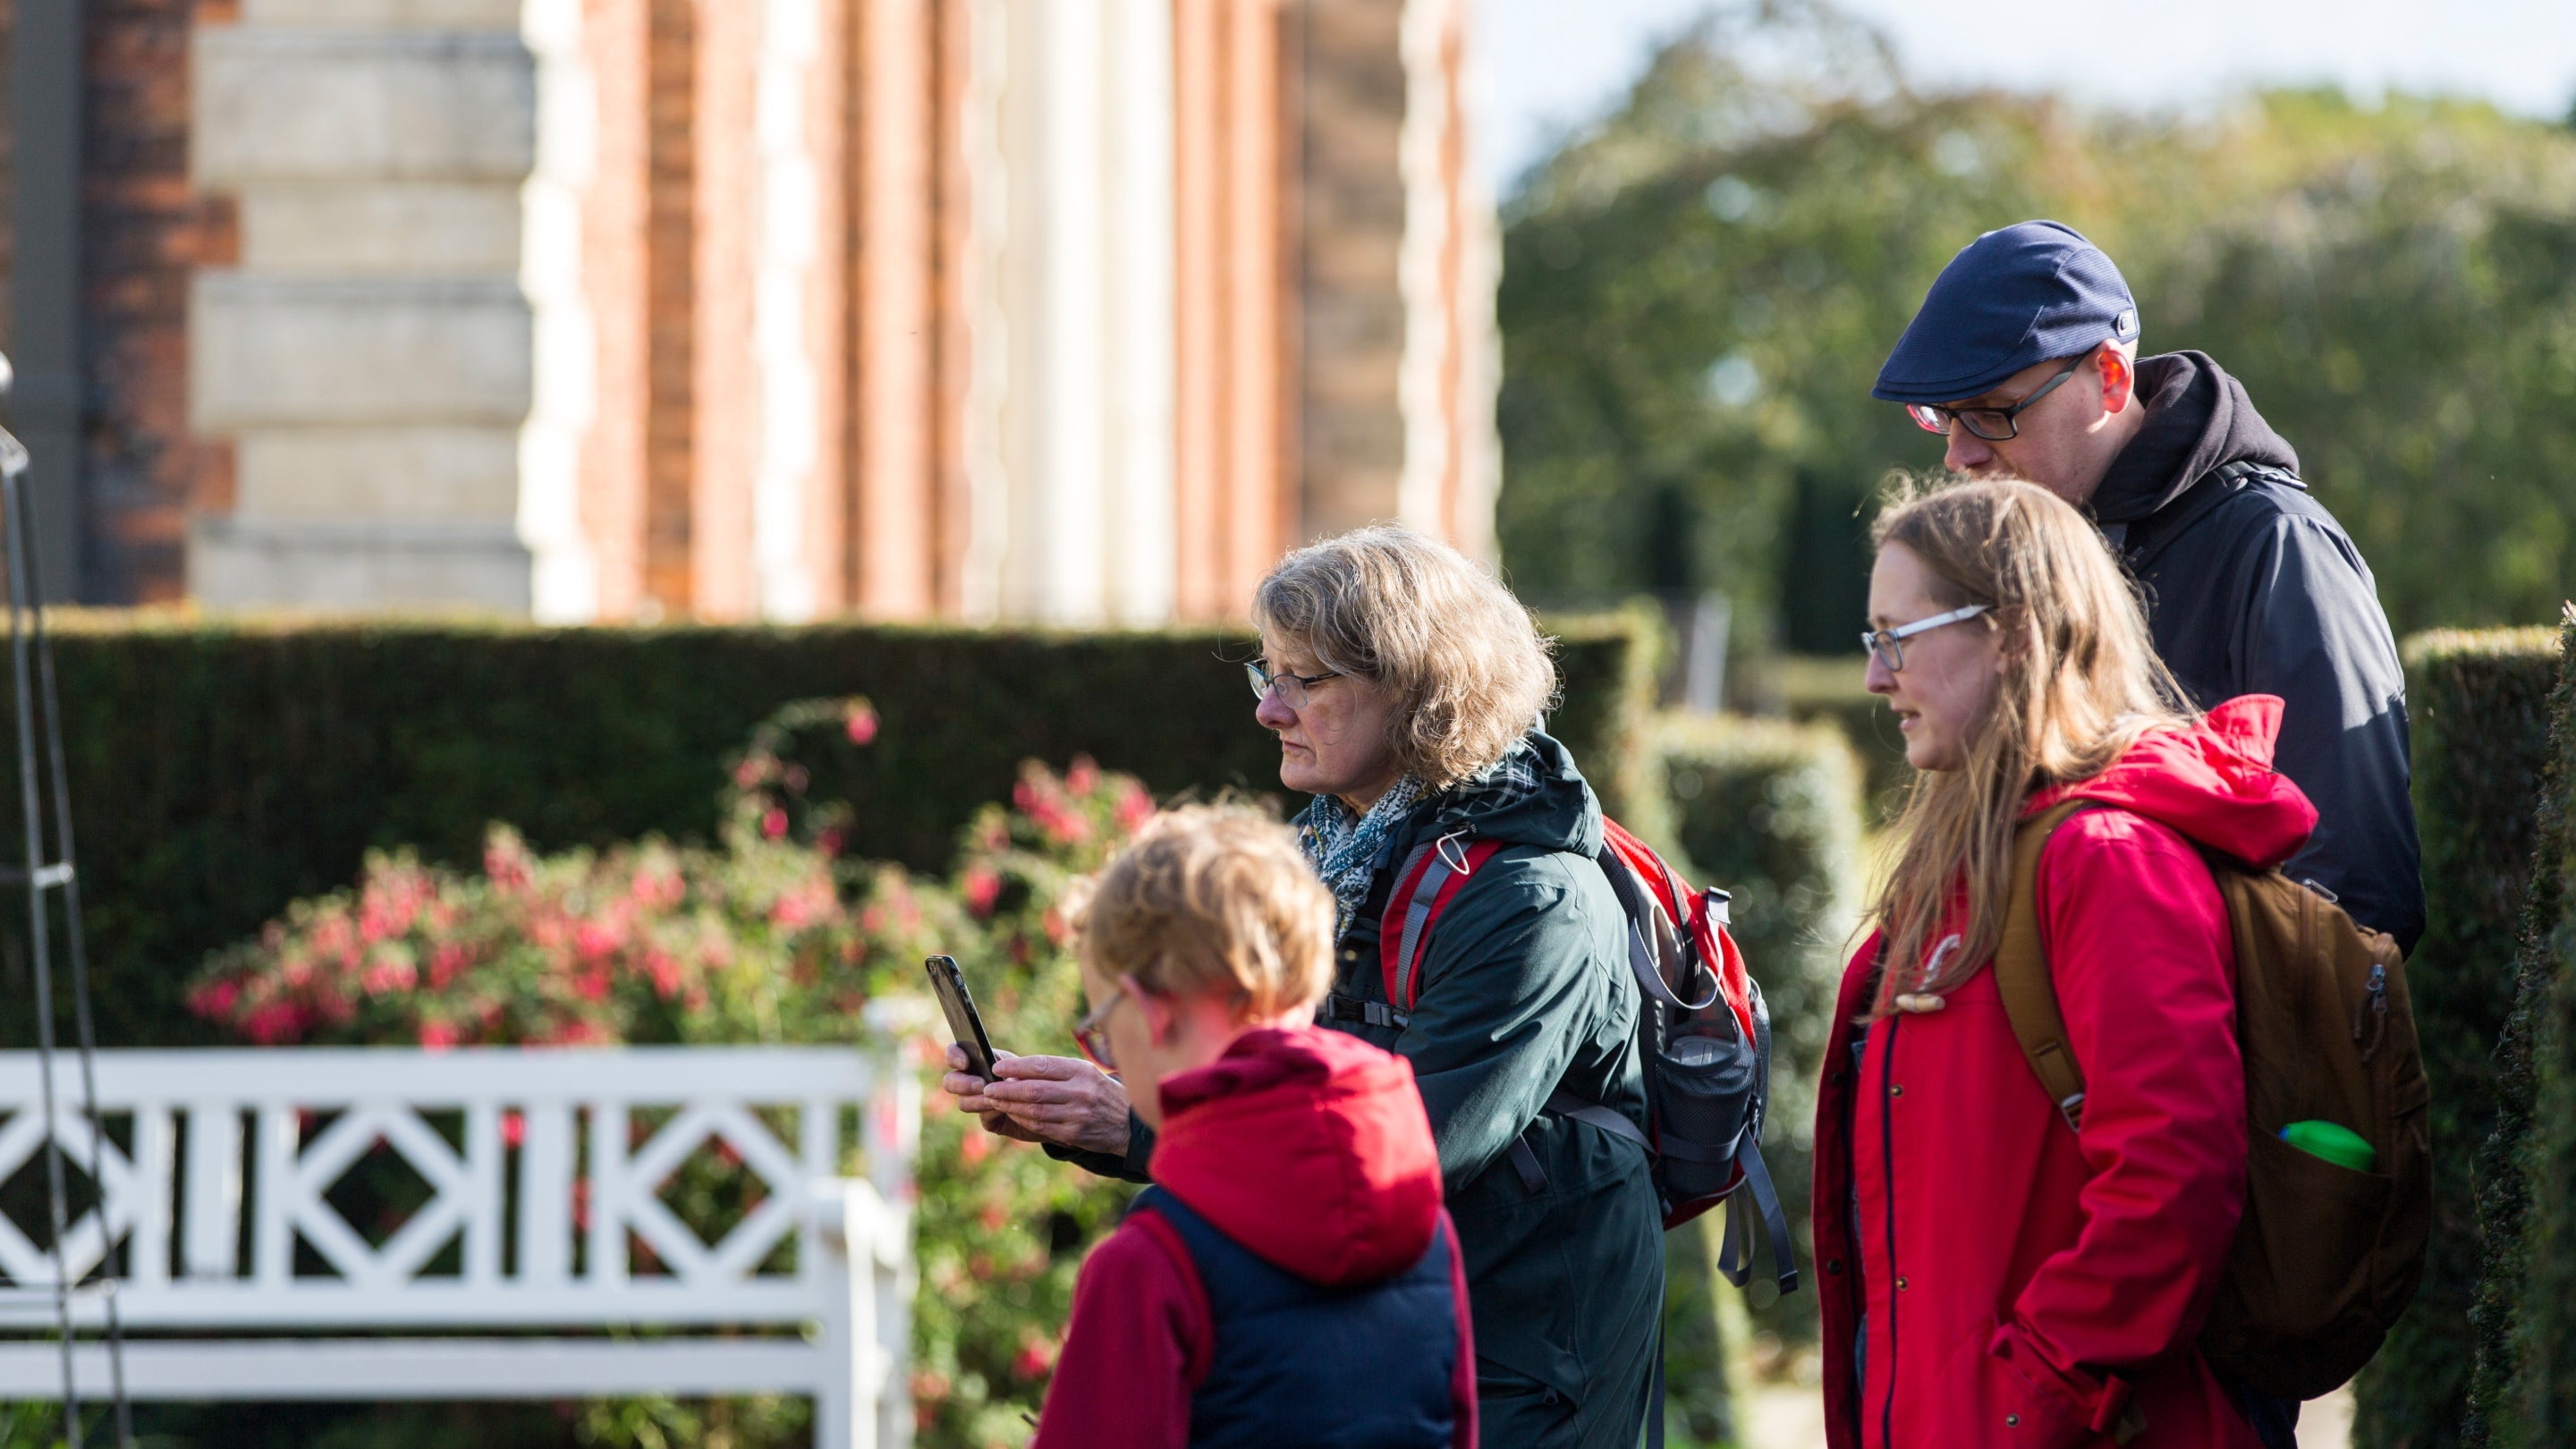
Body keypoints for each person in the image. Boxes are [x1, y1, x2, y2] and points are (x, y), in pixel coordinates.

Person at [948, 525, 1662, 1449]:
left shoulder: (1531, 896)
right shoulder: (1334, 854)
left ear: (1419, 688)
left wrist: (1133, 1123)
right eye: (1266, 674)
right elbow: (1290, 1098)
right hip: (1399, 1345)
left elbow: (1406, 1150)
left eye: (1307, 680)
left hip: (1528, 1360)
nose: (1268, 711)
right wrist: (1113, 1105)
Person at [1814, 478, 2312, 1449]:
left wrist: (2030, 1397)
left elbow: (2172, 1181)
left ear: (2008, 633)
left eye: (1895, 636)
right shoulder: (1976, 864)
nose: (1876, 678)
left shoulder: (2109, 863)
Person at [1871, 219, 2423, 954]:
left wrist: (2157, 1020)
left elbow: (2356, 891)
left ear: (2109, 376)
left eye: (1991, 412)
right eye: (1942, 417)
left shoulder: (2275, 544)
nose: (1959, 454)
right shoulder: (2028, 556)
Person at [1029, 804, 1475, 1449]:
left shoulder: (1149, 1262)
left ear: (1151, 1014)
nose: (1108, 1054)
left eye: (1102, 1025)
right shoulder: (1421, 1222)